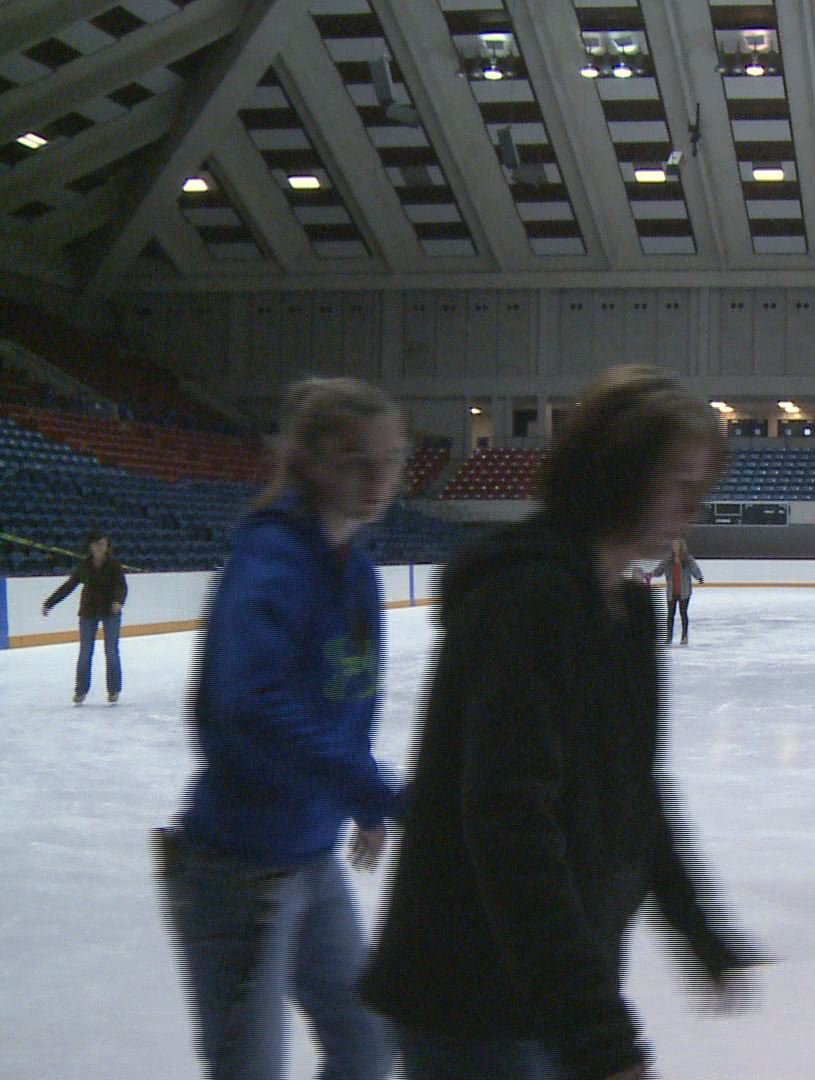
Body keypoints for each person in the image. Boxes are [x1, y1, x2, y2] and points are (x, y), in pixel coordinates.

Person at [362, 365, 761, 1080]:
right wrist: (594, 1028)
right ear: (619, 472)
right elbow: (507, 820)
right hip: (474, 993)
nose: (697, 505)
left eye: (705, 484)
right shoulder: (526, 599)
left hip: (551, 992)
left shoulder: (627, 615)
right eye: (681, 481)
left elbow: (638, 791)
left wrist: (695, 926)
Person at [154, 377, 409, 1080]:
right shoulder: (267, 564)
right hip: (238, 874)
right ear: (307, 461)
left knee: (366, 1042)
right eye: (355, 457)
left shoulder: (355, 572)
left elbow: (347, 702)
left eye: (390, 458)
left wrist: (361, 802)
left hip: (311, 859)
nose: (377, 477)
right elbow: (248, 705)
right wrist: (376, 789)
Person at [42, 530, 128, 705]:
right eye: (96, 544)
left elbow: (121, 586)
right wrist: (50, 602)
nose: (99, 547)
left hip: (110, 611)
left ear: (107, 546)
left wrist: (119, 601)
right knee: (85, 653)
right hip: (88, 612)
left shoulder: (114, 565)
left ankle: (113, 690)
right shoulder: (84, 566)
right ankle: (80, 691)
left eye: (103, 544)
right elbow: (69, 586)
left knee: (111, 652)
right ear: (91, 546)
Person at [652, 536, 705, 646]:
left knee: (683, 613)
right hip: (672, 591)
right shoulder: (668, 559)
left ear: (681, 546)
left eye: (677, 545)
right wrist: (650, 574)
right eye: (673, 545)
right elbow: (659, 570)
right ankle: (669, 637)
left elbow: (694, 568)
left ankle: (684, 636)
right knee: (670, 615)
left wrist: (699, 577)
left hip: (684, 591)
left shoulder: (687, 559)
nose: (675, 547)